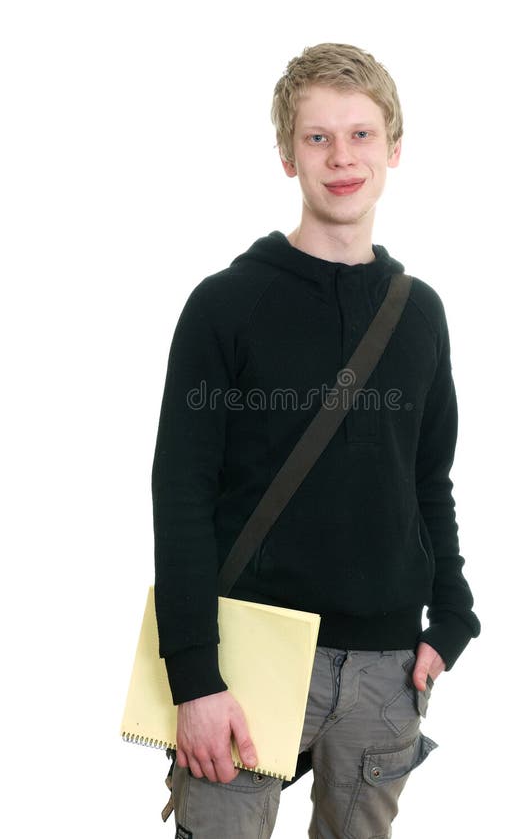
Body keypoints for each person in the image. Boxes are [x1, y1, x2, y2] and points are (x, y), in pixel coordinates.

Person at [152, 42, 481, 838]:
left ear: (394, 149)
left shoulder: (421, 314)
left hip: (385, 673)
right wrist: (194, 677)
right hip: (247, 665)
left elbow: (427, 479)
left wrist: (455, 616)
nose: (343, 158)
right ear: (286, 155)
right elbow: (181, 495)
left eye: (362, 135)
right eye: (318, 138)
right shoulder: (225, 306)